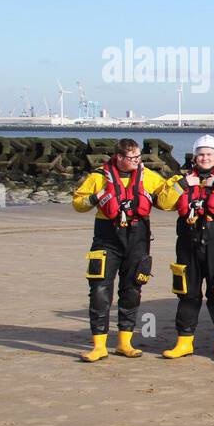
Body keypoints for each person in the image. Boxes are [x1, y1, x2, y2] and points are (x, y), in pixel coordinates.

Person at [72, 138, 167, 361]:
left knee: (132, 288)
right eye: (132, 158)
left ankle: (125, 342)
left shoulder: (149, 177)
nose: (137, 161)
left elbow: (168, 200)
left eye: (138, 157)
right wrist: (96, 197)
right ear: (120, 157)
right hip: (107, 238)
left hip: (137, 237)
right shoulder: (98, 177)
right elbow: (78, 204)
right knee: (99, 291)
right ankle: (99, 345)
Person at [156, 135, 214, 360]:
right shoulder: (182, 178)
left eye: (209, 154)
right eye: (201, 154)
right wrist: (183, 185)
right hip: (188, 245)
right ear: (194, 156)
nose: (205, 158)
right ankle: (184, 342)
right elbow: (164, 203)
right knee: (188, 294)